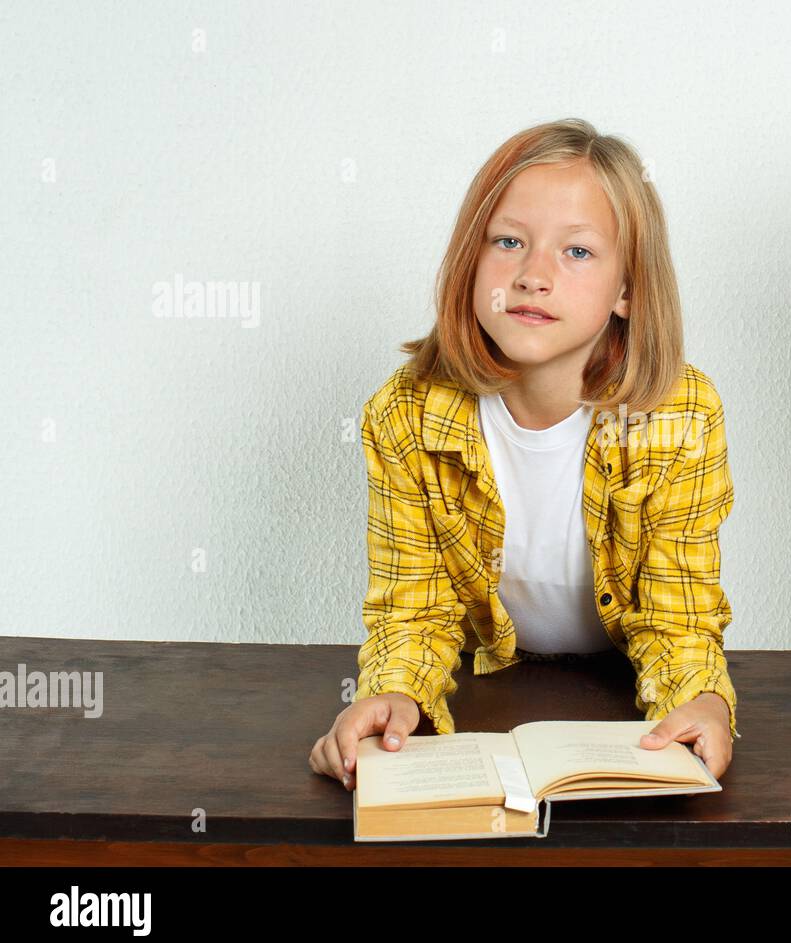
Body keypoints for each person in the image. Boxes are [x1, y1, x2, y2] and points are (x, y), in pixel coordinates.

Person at [309, 118, 738, 792]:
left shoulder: (679, 415)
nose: (534, 275)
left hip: (620, 692)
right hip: (494, 691)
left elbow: (676, 614)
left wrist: (702, 700)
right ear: (471, 263)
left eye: (578, 253)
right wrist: (397, 695)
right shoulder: (407, 413)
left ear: (628, 290)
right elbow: (414, 610)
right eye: (509, 242)